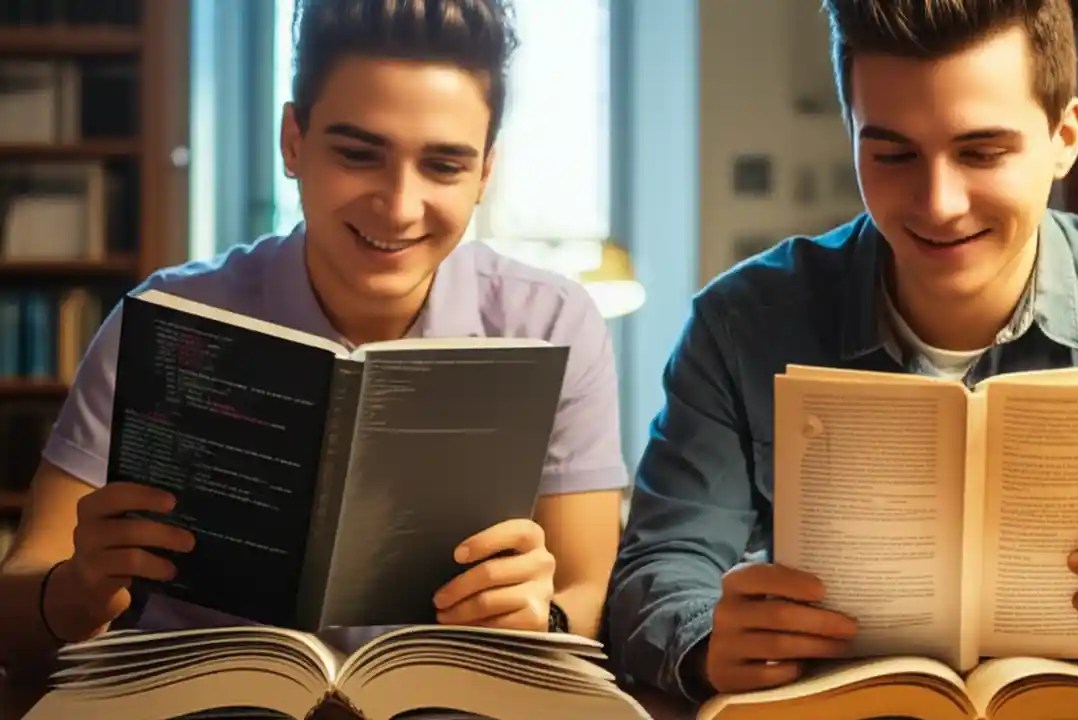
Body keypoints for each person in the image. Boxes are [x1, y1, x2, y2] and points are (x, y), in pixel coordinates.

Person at [606, 0, 1078, 704]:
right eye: (893, 154)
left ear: (1065, 137)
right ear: (852, 136)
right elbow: (660, 565)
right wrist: (709, 642)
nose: (938, 203)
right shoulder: (738, 324)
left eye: (981, 152)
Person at [0, 0, 627, 678]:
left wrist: (544, 617)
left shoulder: (553, 324)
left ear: (484, 173)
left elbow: (586, 595)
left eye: (444, 166)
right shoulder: (166, 315)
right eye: (359, 155)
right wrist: (74, 590)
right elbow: (18, 607)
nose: (399, 205)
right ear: (292, 141)